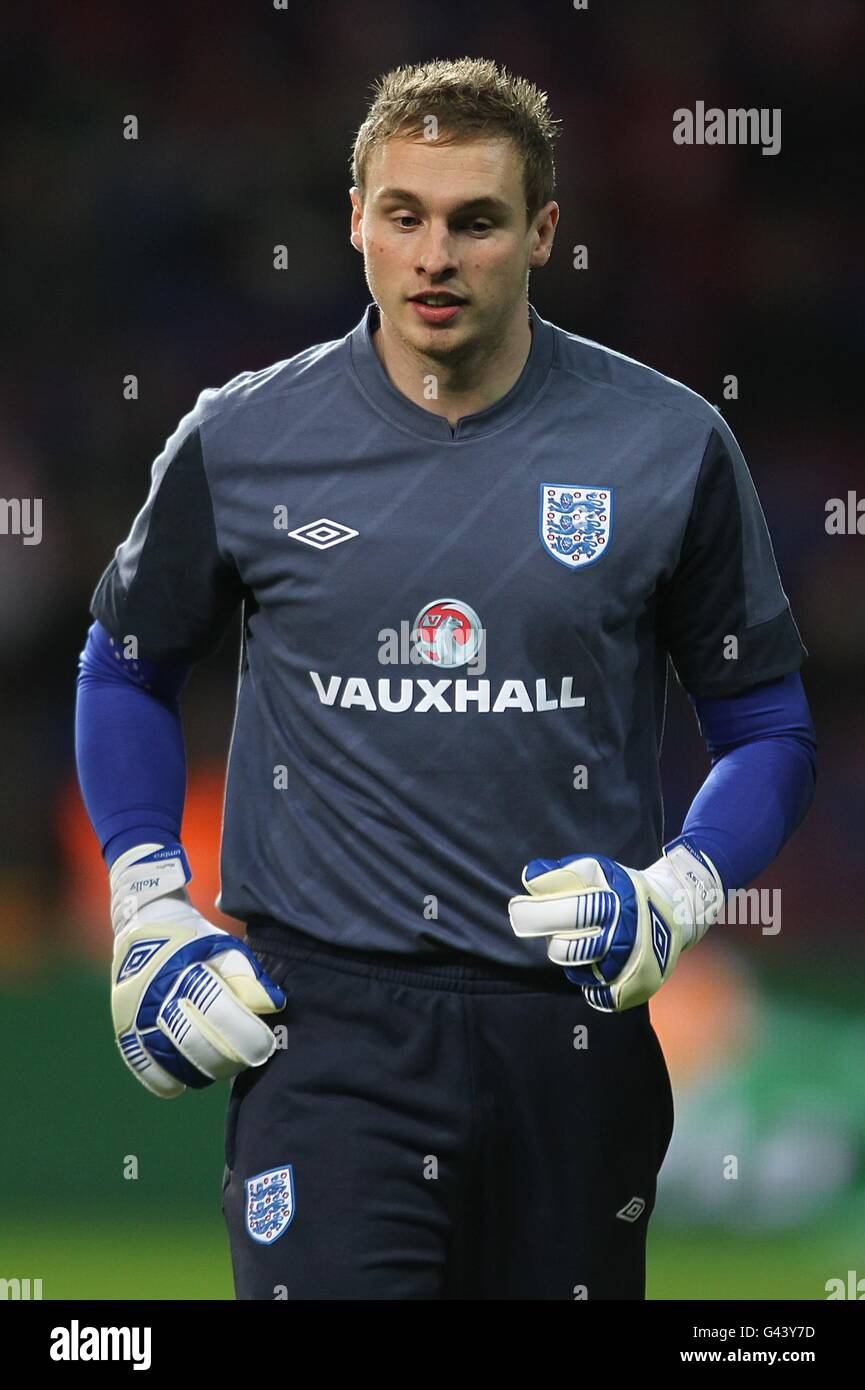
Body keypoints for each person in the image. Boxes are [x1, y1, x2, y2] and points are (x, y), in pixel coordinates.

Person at [75, 56, 816, 1300]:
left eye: (475, 221)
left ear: (541, 234)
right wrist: (148, 900)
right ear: (354, 220)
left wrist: (678, 893)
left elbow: (770, 727)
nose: (435, 255)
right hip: (325, 1035)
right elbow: (124, 668)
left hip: (571, 1035)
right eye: (404, 215)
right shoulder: (241, 439)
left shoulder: (670, 443)